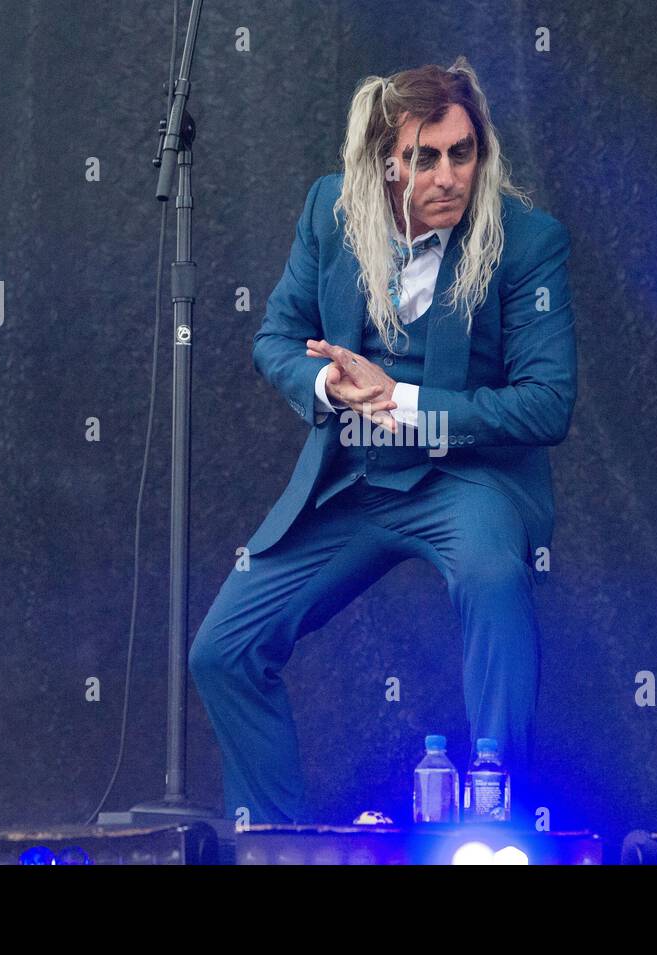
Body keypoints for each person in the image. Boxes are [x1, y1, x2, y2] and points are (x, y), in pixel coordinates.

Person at [189, 56, 576, 825]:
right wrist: (329, 387)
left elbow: (546, 403)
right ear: (385, 162)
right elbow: (276, 336)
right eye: (423, 157)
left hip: (465, 479)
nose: (446, 176)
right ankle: (275, 840)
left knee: (494, 579)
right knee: (222, 651)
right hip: (354, 477)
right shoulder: (332, 210)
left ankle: (499, 823)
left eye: (461, 153)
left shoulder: (528, 242)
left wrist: (400, 397)